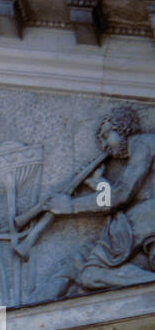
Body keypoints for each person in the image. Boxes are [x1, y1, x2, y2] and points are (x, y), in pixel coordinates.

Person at [33, 105, 155, 300]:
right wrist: (99, 184)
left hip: (147, 217)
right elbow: (123, 194)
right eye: (100, 140)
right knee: (90, 274)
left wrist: (70, 205)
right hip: (147, 221)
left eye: (107, 135)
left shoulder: (143, 143)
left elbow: (121, 195)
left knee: (91, 272)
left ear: (123, 127)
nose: (105, 145)